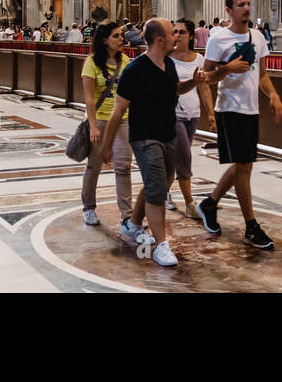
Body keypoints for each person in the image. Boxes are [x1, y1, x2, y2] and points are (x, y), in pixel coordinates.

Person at [99, 19, 209, 267]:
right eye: (173, 33)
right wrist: (106, 146)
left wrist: (194, 82)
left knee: (155, 183)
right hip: (145, 137)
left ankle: (132, 225)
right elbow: (118, 111)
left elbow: (176, 88)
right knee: (158, 189)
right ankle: (161, 245)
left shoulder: (168, 63)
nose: (177, 37)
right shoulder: (135, 70)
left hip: (167, 133)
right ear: (160, 40)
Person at [196, 0, 282, 249]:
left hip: (250, 109)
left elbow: (262, 74)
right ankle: (251, 226)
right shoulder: (218, 39)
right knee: (244, 166)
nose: (246, 8)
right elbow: (205, 77)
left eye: (248, 3)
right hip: (229, 108)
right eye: (240, 5)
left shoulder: (258, 37)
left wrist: (274, 96)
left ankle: (209, 204)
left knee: (244, 166)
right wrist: (227, 68)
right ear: (229, 10)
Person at [80, 22, 134, 233]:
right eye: (116, 36)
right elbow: (89, 100)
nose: (121, 39)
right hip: (100, 119)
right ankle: (89, 207)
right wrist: (93, 126)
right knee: (94, 165)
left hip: (123, 119)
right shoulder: (91, 63)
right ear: (104, 40)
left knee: (123, 167)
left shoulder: (126, 61)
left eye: (121, 35)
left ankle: (127, 217)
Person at [166, 18, 214, 218]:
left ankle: (162, 193)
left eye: (181, 32)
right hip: (172, 114)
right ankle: (189, 203)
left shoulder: (199, 59)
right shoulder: (167, 58)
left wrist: (211, 113)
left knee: (172, 161)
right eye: (174, 32)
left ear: (191, 36)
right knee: (184, 158)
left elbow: (204, 87)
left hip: (192, 114)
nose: (176, 36)